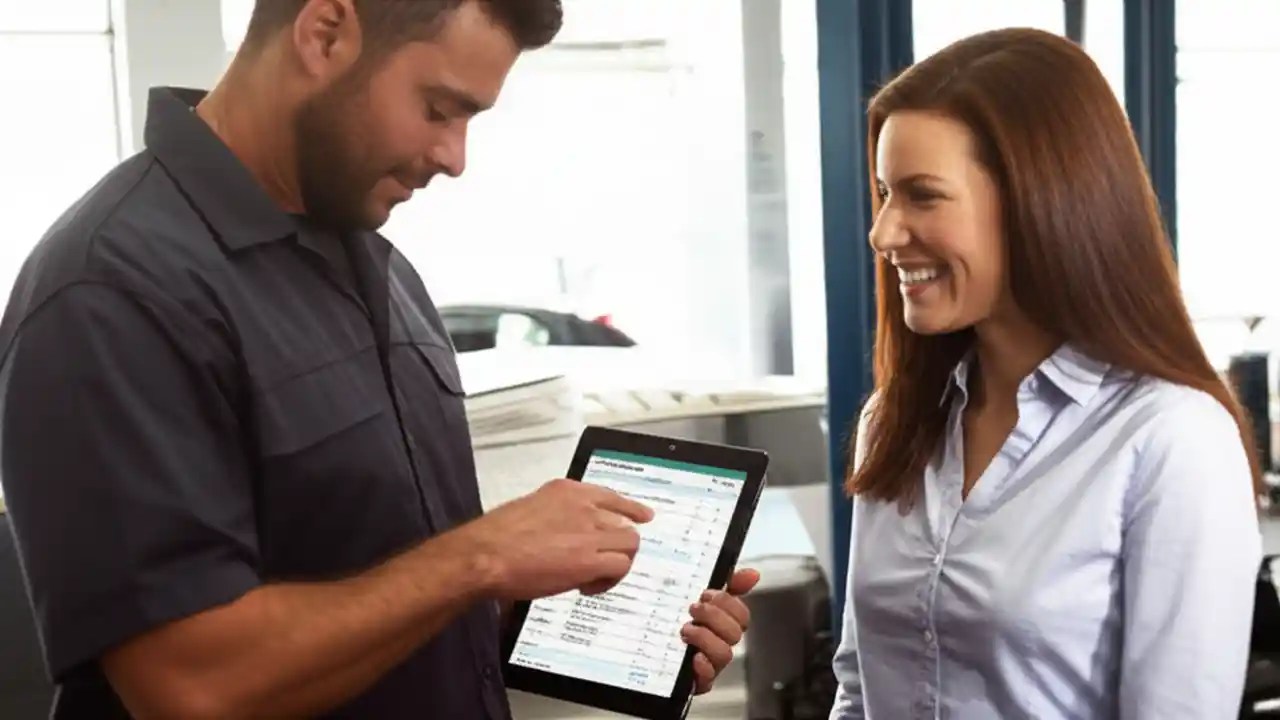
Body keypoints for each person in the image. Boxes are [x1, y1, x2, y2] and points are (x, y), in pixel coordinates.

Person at [0, 1, 757, 718]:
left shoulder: (382, 271)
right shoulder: (112, 290)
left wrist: (552, 610)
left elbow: (385, 591)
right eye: (438, 108)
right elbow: (190, 689)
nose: (454, 157)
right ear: (326, 32)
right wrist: (482, 557)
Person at [829, 27, 1261, 719]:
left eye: (922, 195)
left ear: (1038, 202)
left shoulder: (1171, 439)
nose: (883, 232)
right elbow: (859, 690)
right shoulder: (896, 420)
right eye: (884, 192)